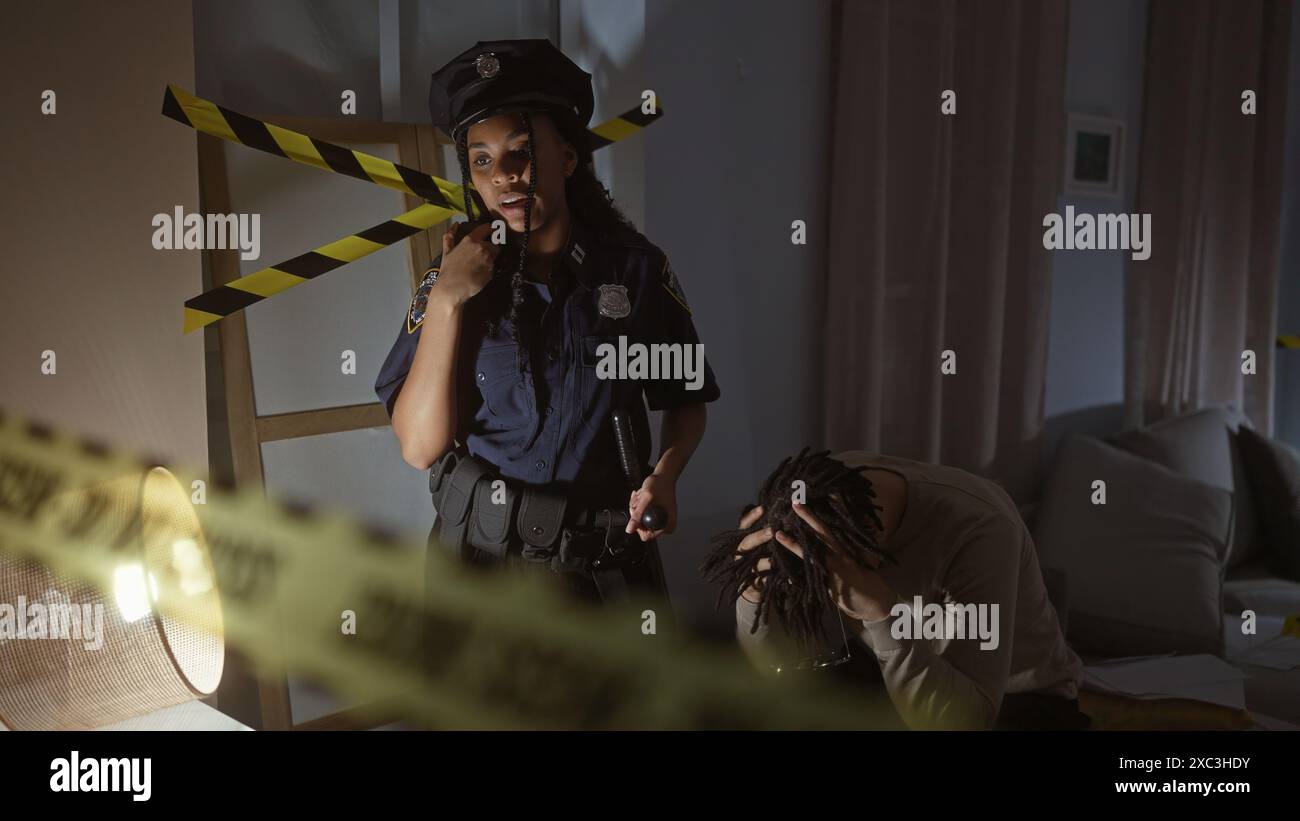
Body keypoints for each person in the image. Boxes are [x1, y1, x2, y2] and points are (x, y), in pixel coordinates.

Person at [375, 39, 719, 606]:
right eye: (482, 160)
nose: (504, 176)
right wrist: (446, 302)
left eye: (522, 152)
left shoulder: (635, 272)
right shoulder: (454, 275)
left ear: (566, 156)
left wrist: (667, 475)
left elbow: (684, 398)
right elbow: (419, 446)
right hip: (475, 567)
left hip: (595, 577)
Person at [703, 448, 1086, 730]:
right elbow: (773, 672)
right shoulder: (810, 499)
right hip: (893, 667)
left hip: (1014, 698)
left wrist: (882, 612)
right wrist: (753, 594)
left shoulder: (980, 529)